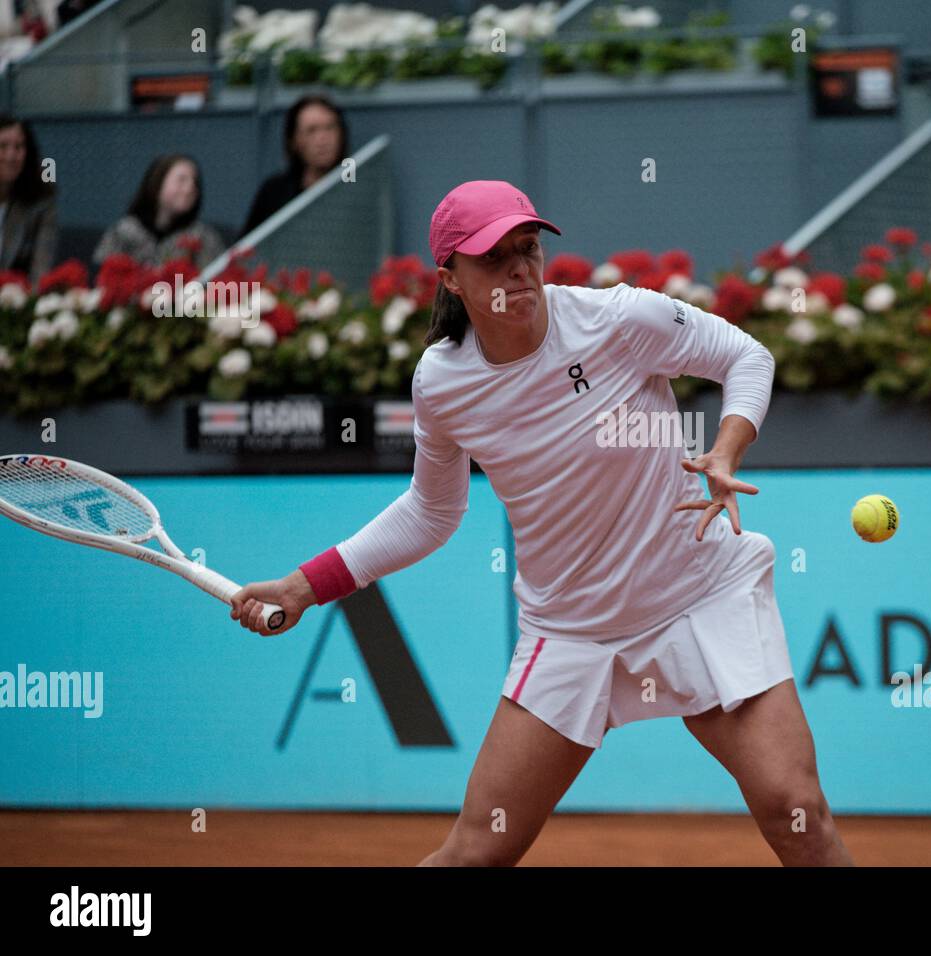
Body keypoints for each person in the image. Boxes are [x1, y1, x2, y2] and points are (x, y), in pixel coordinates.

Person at [229, 179, 854, 868]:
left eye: (526, 249)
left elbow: (746, 356)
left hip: (698, 598)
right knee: (475, 853)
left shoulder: (618, 319)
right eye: (493, 258)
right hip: (571, 632)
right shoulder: (442, 383)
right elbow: (431, 511)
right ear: (451, 279)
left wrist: (727, 447)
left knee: (797, 815)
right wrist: (304, 585)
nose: (519, 268)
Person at [240, 95, 349, 236]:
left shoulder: (357, 187)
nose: (323, 139)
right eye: (312, 130)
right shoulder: (274, 192)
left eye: (329, 128)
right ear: (294, 141)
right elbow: (248, 247)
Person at [93, 154, 226, 269]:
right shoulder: (124, 231)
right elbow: (102, 278)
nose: (190, 189)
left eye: (195, 183)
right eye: (181, 180)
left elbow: (220, 283)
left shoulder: (202, 236)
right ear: (157, 182)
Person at [0, 114, 57, 283]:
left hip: (15, 303)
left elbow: (41, 272)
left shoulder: (42, 201)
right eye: (2, 146)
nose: (11, 156)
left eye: (19, 147)